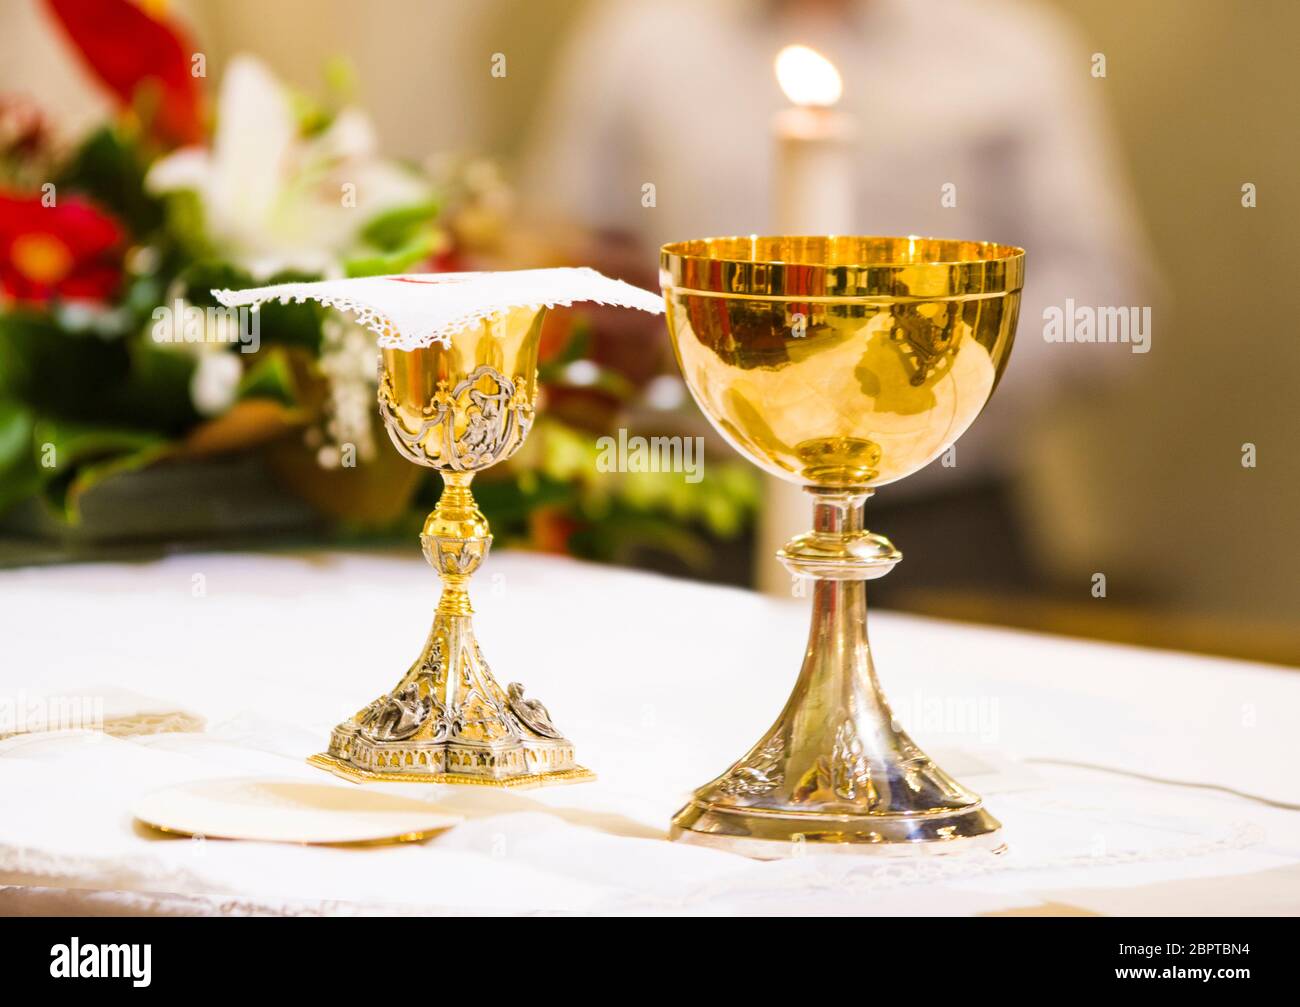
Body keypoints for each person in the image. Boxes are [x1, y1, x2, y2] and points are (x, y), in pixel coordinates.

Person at [523, 0, 1157, 596]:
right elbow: (565, 251)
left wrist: (909, 378)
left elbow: (1107, 302)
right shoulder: (642, 34)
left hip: (940, 518)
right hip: (703, 518)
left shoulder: (1006, 43)